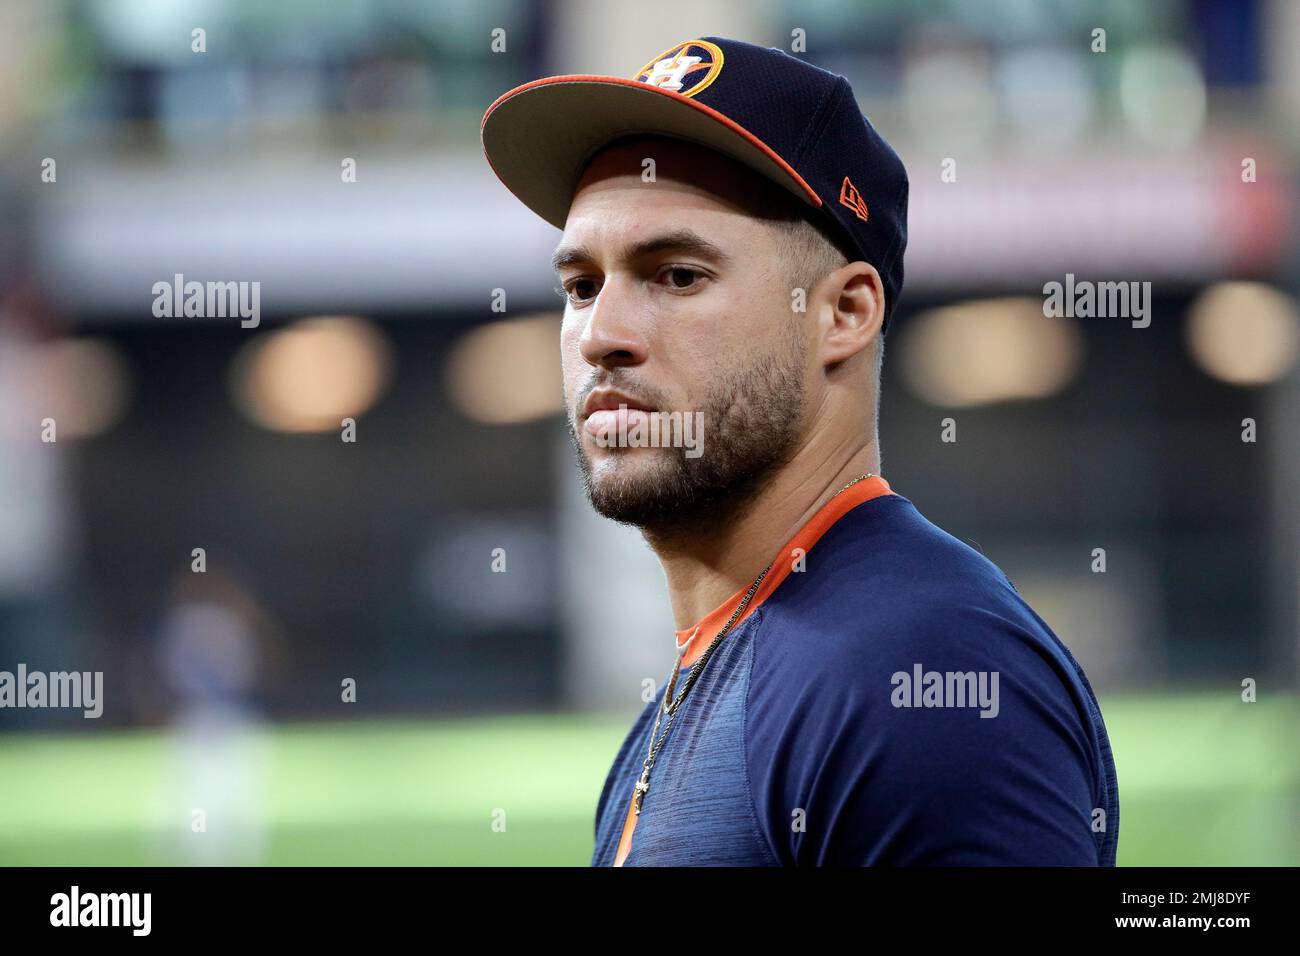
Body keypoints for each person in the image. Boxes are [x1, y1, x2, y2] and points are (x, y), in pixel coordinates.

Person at [481, 36, 1118, 866]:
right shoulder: (724, 666)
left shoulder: (919, 670)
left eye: (676, 275)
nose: (601, 335)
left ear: (844, 313)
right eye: (581, 286)